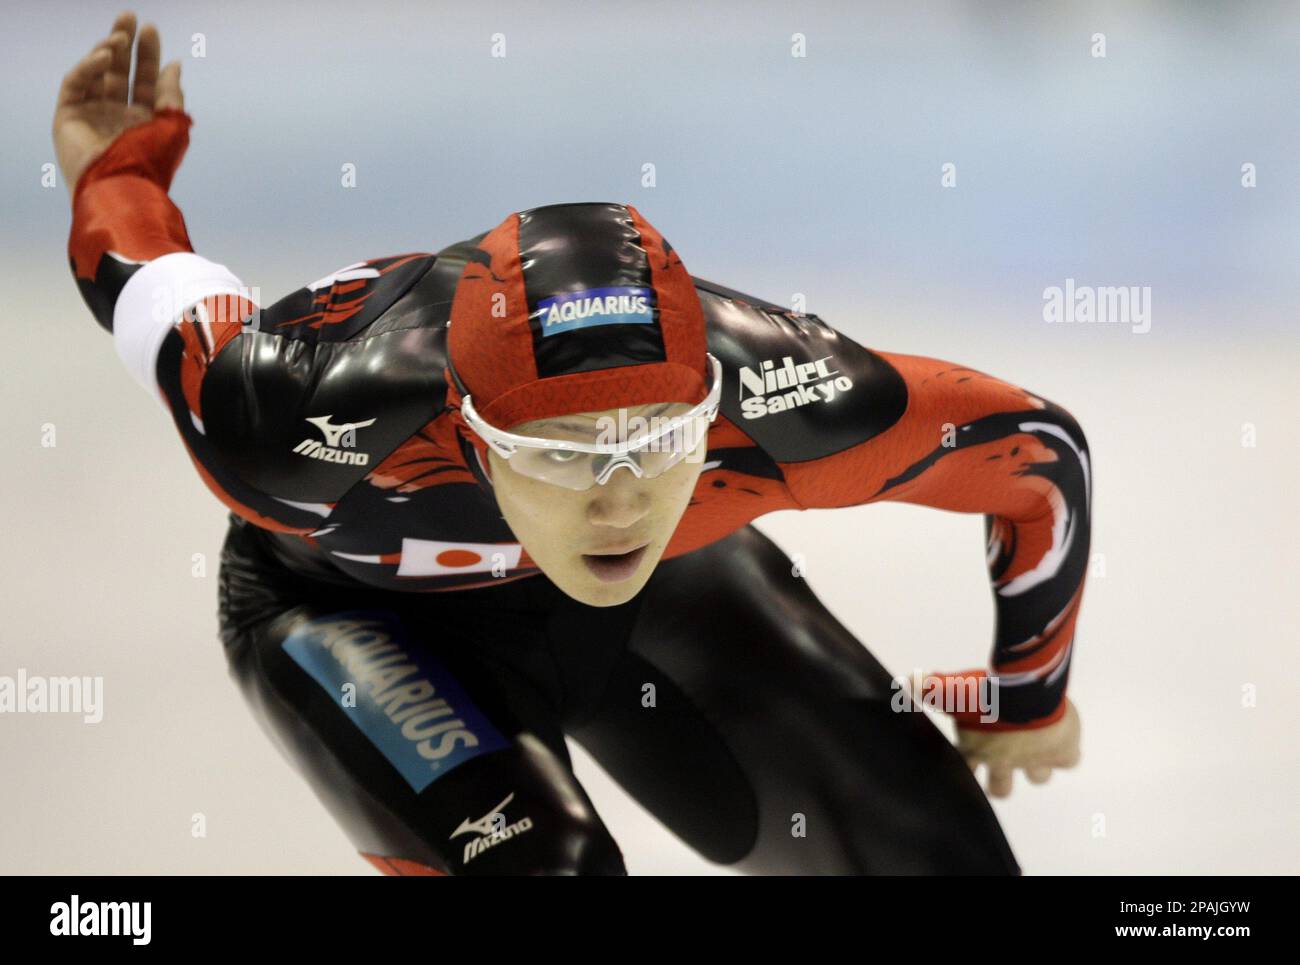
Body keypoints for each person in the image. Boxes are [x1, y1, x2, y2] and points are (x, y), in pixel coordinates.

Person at [55, 13, 1087, 875]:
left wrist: (1031, 687)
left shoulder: (784, 393)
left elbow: (1038, 454)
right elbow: (149, 275)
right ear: (465, 424)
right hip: (350, 611)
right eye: (561, 449)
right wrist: (120, 157)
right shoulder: (295, 421)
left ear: (711, 402)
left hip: (670, 587)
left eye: (659, 435)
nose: (619, 499)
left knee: (926, 849)